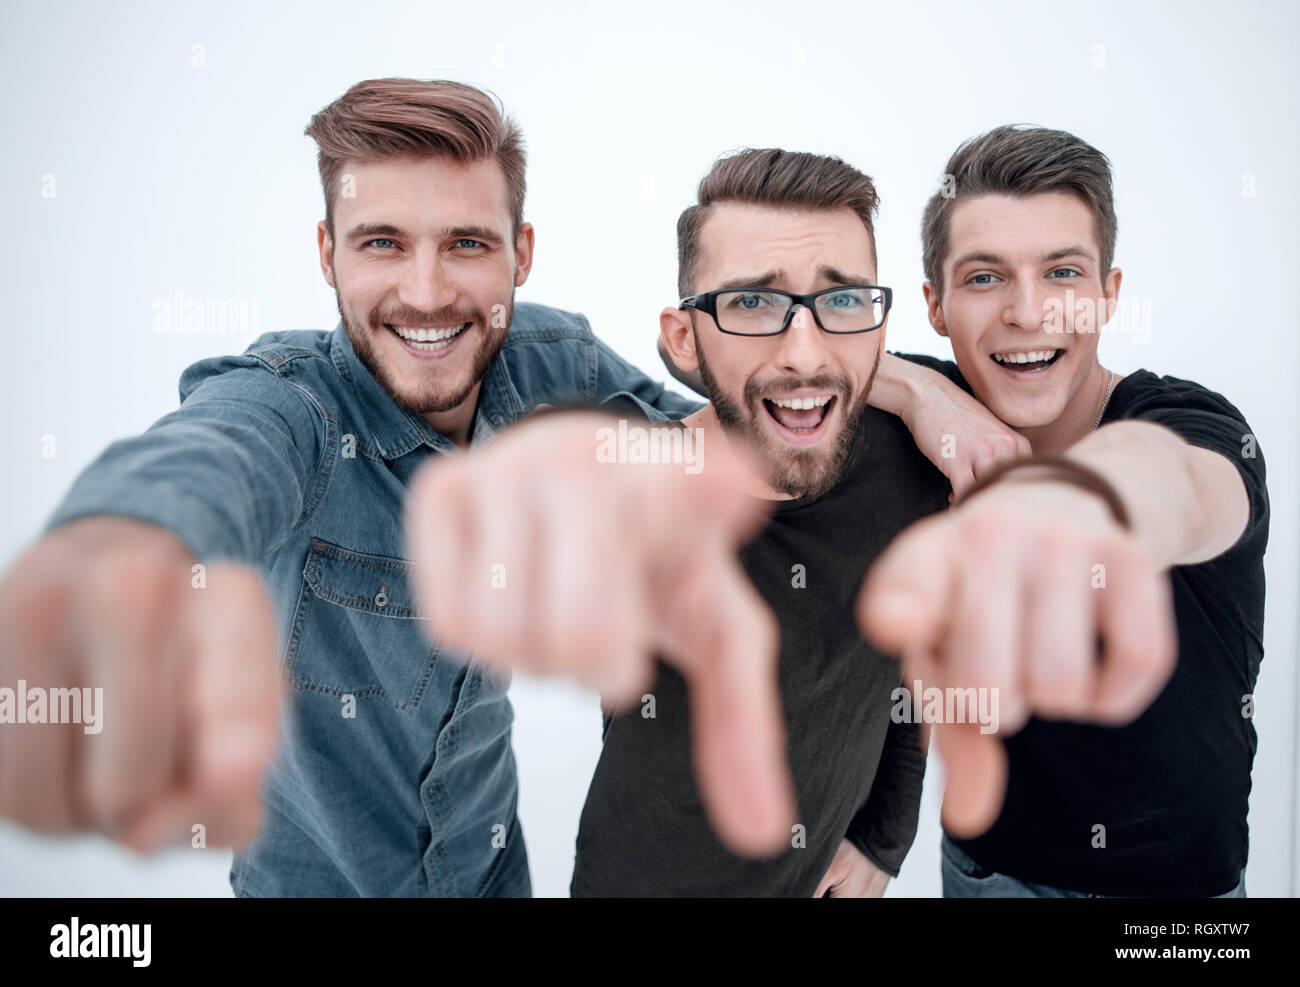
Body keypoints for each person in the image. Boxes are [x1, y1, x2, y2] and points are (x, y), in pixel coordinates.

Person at [406, 146, 1181, 895]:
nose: (804, 353)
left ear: (881, 330)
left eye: (841, 300)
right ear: (684, 338)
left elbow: (908, 669)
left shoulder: (912, 469)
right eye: (753, 302)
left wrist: (885, 836)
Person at [0, 78, 699, 897]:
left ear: (523, 252)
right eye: (383, 244)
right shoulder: (291, 406)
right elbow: (213, 453)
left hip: (492, 867)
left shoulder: (555, 361)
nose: (428, 292)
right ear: (328, 252)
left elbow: (744, 442)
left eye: (468, 244)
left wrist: (885, 384)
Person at [663, 125, 1267, 898]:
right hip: (982, 876)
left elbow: (1176, 488)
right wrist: (921, 392)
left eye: (1062, 273)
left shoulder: (1196, 427)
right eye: (984, 278)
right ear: (935, 306)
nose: (1026, 312)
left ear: (1108, 295)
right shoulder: (917, 427)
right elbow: (741, 369)